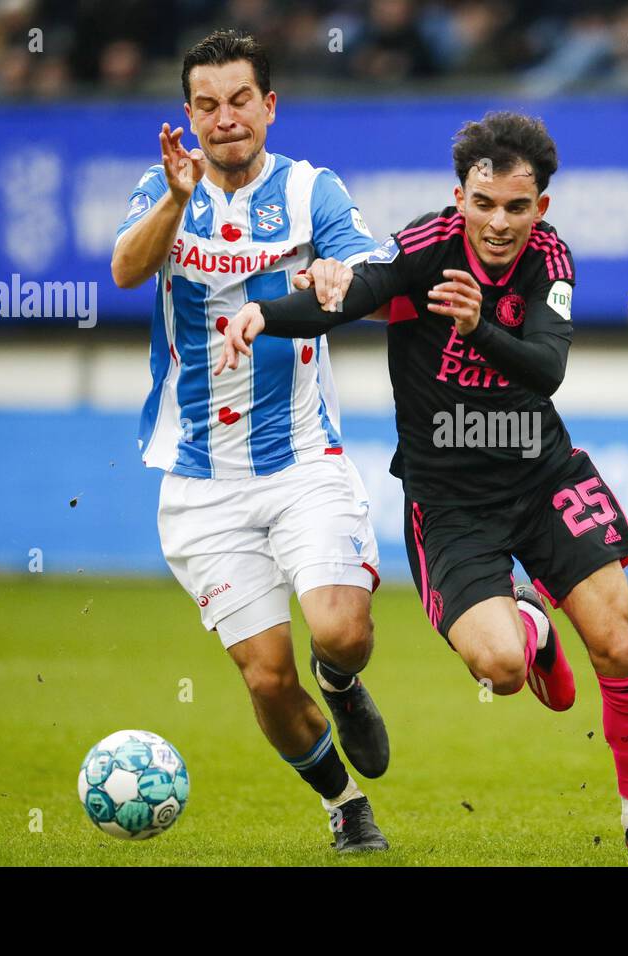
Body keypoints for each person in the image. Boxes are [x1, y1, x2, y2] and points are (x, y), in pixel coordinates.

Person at [216, 111, 628, 860]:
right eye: (483, 204)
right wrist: (264, 311)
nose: (498, 222)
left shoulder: (549, 259)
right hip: (450, 500)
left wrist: (477, 329)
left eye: (516, 206)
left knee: (615, 640)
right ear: (459, 196)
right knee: (500, 669)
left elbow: (547, 367)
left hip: (541, 473)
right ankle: (531, 631)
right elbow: (350, 292)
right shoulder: (425, 248)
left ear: (542, 207)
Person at [110, 29, 390, 853]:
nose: (225, 119)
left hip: (304, 459)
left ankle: (341, 683)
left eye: (240, 101)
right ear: (188, 114)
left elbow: (368, 268)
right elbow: (127, 271)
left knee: (339, 631)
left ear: (269, 106)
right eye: (207, 105)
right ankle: (344, 804)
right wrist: (172, 198)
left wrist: (336, 276)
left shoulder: (311, 191)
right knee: (266, 673)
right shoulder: (161, 191)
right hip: (200, 481)